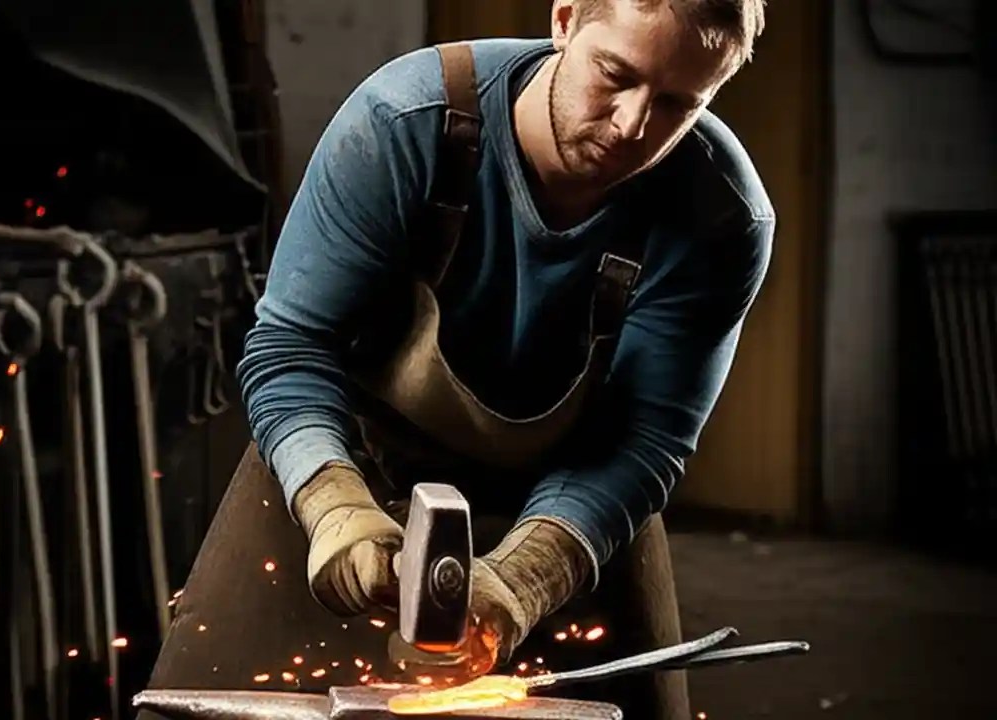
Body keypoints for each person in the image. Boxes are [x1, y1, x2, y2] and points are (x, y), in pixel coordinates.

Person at [146, 1, 773, 718]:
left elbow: (645, 440)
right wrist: (333, 506)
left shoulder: (721, 215)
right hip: (349, 462)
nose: (632, 124)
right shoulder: (402, 123)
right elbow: (291, 345)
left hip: (576, 506)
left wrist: (526, 579)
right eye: (615, 75)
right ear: (565, 19)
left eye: (676, 103)